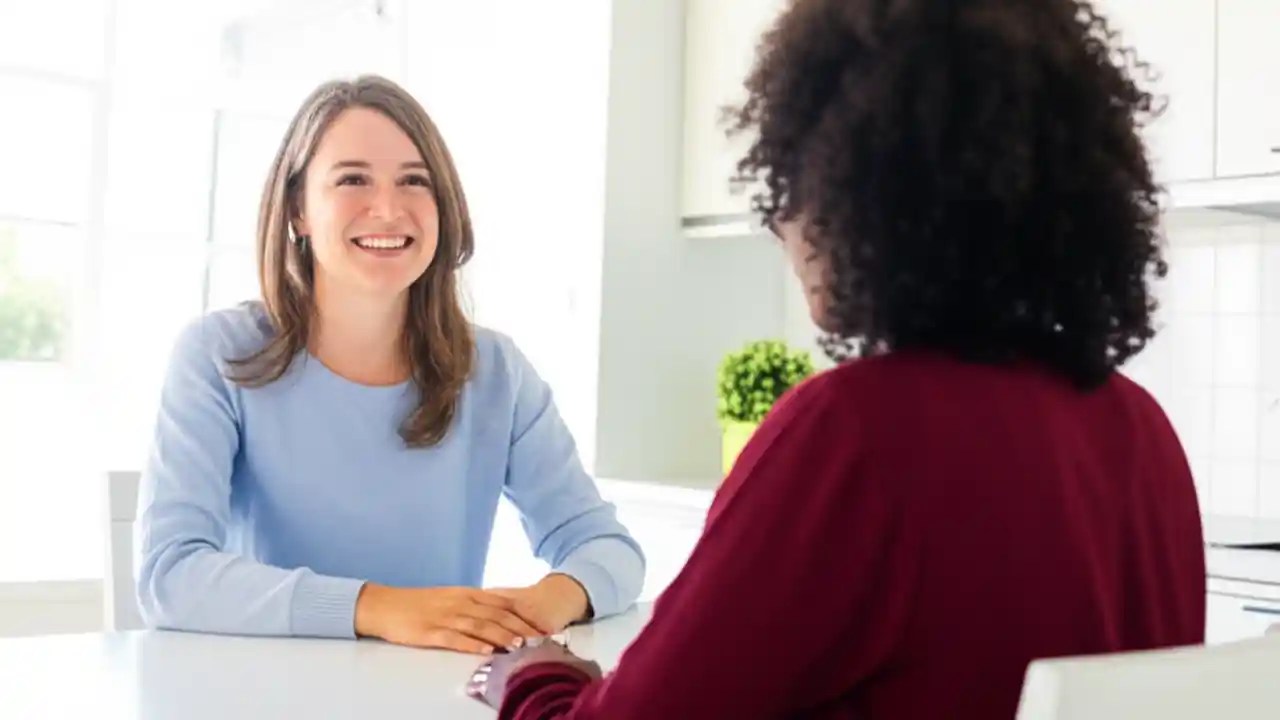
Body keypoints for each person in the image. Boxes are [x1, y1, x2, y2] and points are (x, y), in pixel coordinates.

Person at [469, 0, 1205, 716]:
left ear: (866, 194)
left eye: (794, 180)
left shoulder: (857, 431)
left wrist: (535, 679)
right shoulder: (1142, 431)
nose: (780, 220)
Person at [134, 75, 645, 654]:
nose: (388, 207)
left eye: (414, 181)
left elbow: (607, 547)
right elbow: (169, 576)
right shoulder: (217, 354)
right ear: (298, 209)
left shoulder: (497, 372)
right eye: (352, 179)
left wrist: (544, 601)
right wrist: (379, 608)